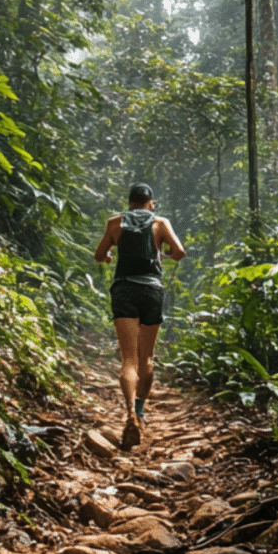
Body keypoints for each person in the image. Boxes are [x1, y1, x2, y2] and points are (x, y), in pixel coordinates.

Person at [94, 182, 186, 446]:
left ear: (129, 201)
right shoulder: (160, 223)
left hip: (124, 289)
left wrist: (110, 258)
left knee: (129, 361)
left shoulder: (115, 223)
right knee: (146, 359)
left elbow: (99, 255)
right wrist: (163, 254)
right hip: (151, 291)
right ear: (150, 202)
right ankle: (140, 411)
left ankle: (129, 415)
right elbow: (179, 253)